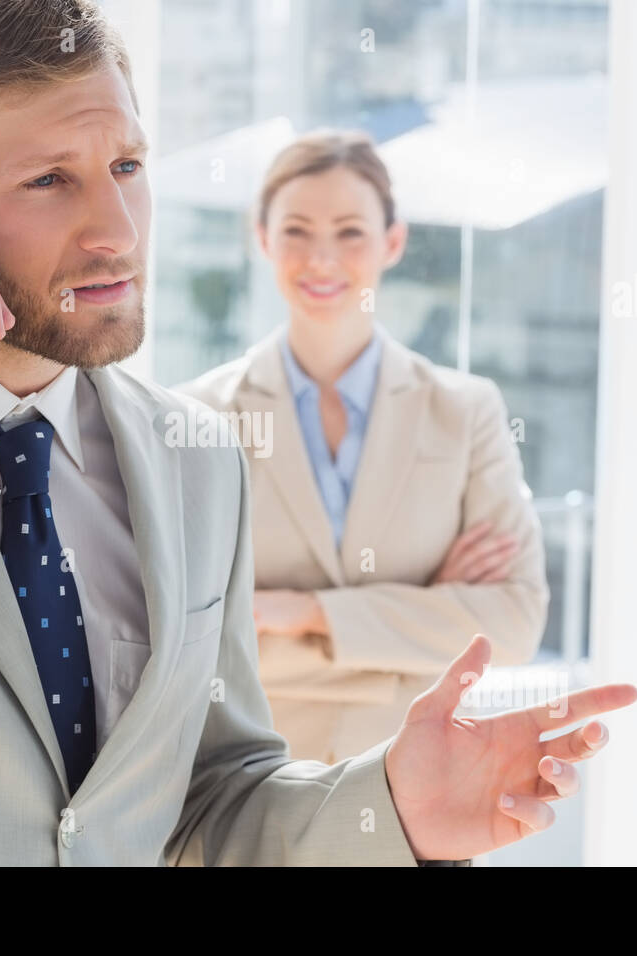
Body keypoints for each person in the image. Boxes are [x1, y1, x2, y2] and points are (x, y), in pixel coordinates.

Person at [0, 0, 634, 866]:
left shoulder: (193, 452)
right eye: (52, 180)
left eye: (127, 166)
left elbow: (208, 801)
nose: (116, 230)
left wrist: (390, 806)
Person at [178, 130, 549, 764]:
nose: (322, 258)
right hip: (251, 784)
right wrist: (423, 615)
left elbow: (513, 622)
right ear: (262, 238)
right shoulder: (199, 417)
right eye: (296, 231)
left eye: (350, 231)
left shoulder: (464, 411)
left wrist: (301, 612)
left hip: (420, 785)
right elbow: (190, 641)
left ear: (393, 242)